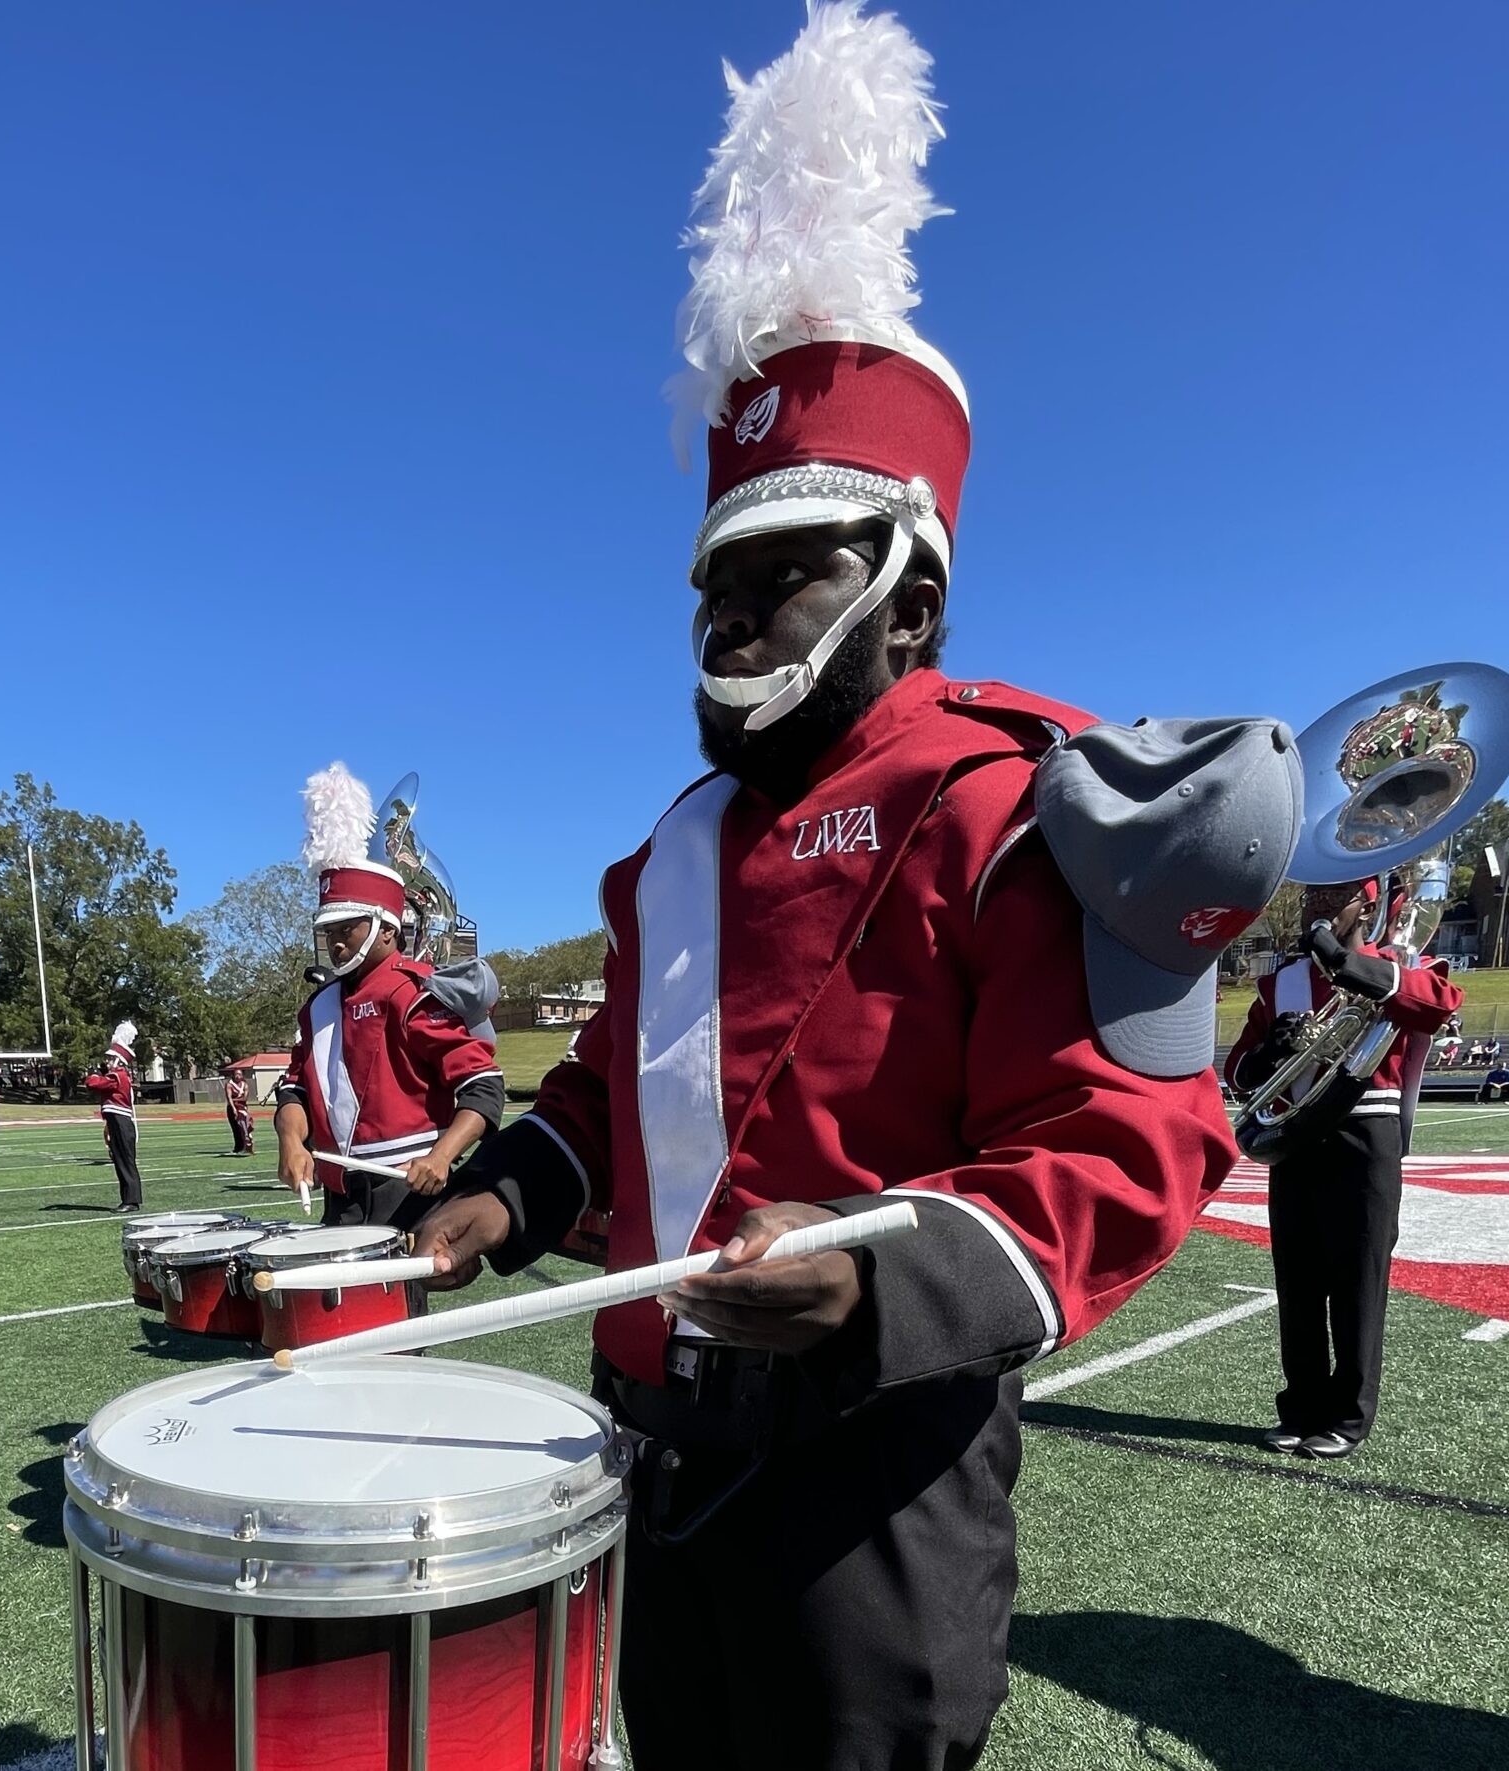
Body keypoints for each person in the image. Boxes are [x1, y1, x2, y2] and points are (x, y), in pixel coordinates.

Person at [411, 14, 1295, 1765]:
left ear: (905, 591)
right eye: (712, 582)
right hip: (651, 1440)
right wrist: (509, 1189)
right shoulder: (672, 846)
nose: (730, 617)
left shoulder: (1014, 803)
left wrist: (868, 1286)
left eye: (786, 569)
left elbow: (1121, 1149)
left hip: (874, 1466)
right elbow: (613, 1102)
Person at [1228, 881, 1463, 1460]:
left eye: (1337, 898)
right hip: (1296, 1134)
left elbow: (1439, 1006)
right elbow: (1237, 1072)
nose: (1320, 909)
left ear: (1372, 904)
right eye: (1315, 898)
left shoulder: (1401, 967)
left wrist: (1348, 964)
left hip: (1366, 1131)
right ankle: (1302, 1407)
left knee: (1358, 1280)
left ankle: (1349, 1417)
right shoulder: (1280, 983)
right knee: (1299, 1281)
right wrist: (1268, 1056)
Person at [274, 763, 505, 1236]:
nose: (336, 943)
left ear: (385, 927)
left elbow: (483, 1085)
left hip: (409, 1195)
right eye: (329, 931)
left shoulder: (411, 994)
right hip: (341, 1195)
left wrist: (442, 1156)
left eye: (348, 928)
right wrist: (291, 1142)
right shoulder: (318, 1007)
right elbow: (294, 1088)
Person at [85, 1022, 142, 1211]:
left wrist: (92, 1075)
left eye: (110, 1059)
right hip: (116, 1121)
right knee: (119, 1160)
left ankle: (131, 1201)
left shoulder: (118, 1076)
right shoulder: (116, 1075)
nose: (107, 1062)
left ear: (118, 1061)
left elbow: (94, 1084)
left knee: (125, 1161)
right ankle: (128, 1199)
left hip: (122, 1122)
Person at [219, 1060, 256, 1157]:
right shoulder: (229, 1084)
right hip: (232, 1108)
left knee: (244, 1127)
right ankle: (238, 1146)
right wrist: (234, 1107)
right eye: (236, 1074)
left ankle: (246, 1145)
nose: (237, 1076)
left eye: (239, 1074)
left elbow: (245, 1098)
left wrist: (237, 1100)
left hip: (242, 1107)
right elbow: (229, 1098)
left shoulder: (245, 1084)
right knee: (235, 1128)